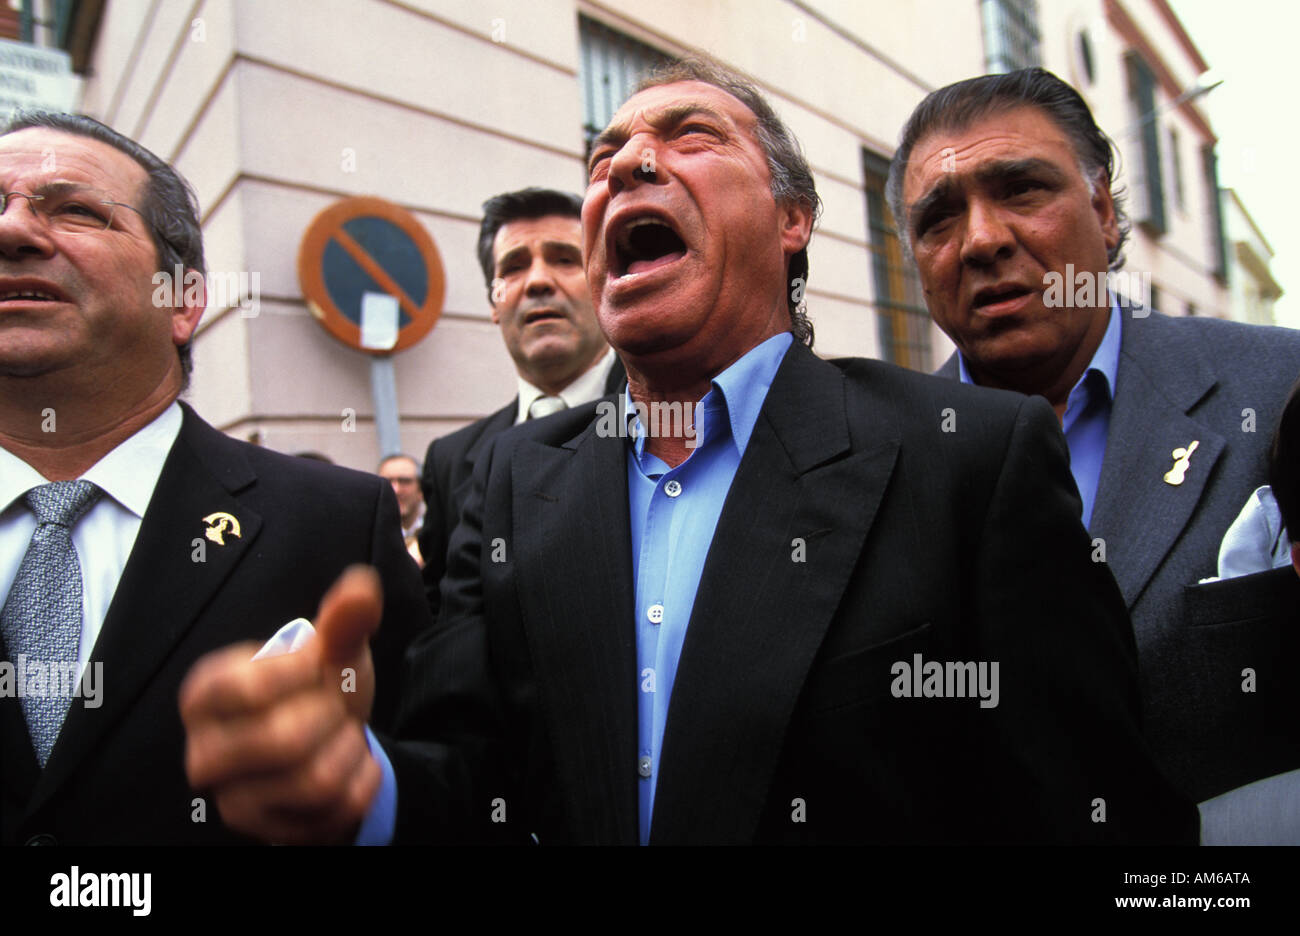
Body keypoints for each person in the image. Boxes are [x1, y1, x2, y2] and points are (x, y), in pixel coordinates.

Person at [181, 56, 1196, 845]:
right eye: (604, 157)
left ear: (792, 220)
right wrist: (365, 791)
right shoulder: (509, 482)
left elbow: (1098, 813)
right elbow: (473, 783)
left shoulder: (966, 456)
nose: (627, 164)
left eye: (689, 135)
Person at [0, 112, 429, 844]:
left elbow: (473, 787)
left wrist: (364, 794)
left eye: (74, 209)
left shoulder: (335, 523)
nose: (12, 232)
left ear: (184, 300)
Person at [888, 67, 1300, 804]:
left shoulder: (1278, 390)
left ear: (1104, 210)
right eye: (939, 217)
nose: (981, 239)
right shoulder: (877, 472)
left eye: (1020, 188)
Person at [417, 188, 625, 613]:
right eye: (513, 267)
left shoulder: (672, 421)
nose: (537, 282)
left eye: (565, 259)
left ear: (603, 280)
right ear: (494, 303)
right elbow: (444, 618)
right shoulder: (450, 461)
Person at [377, 453, 425, 564]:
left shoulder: (437, 533)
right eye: (387, 482)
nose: (396, 490)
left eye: (405, 481)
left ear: (421, 489)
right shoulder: (372, 540)